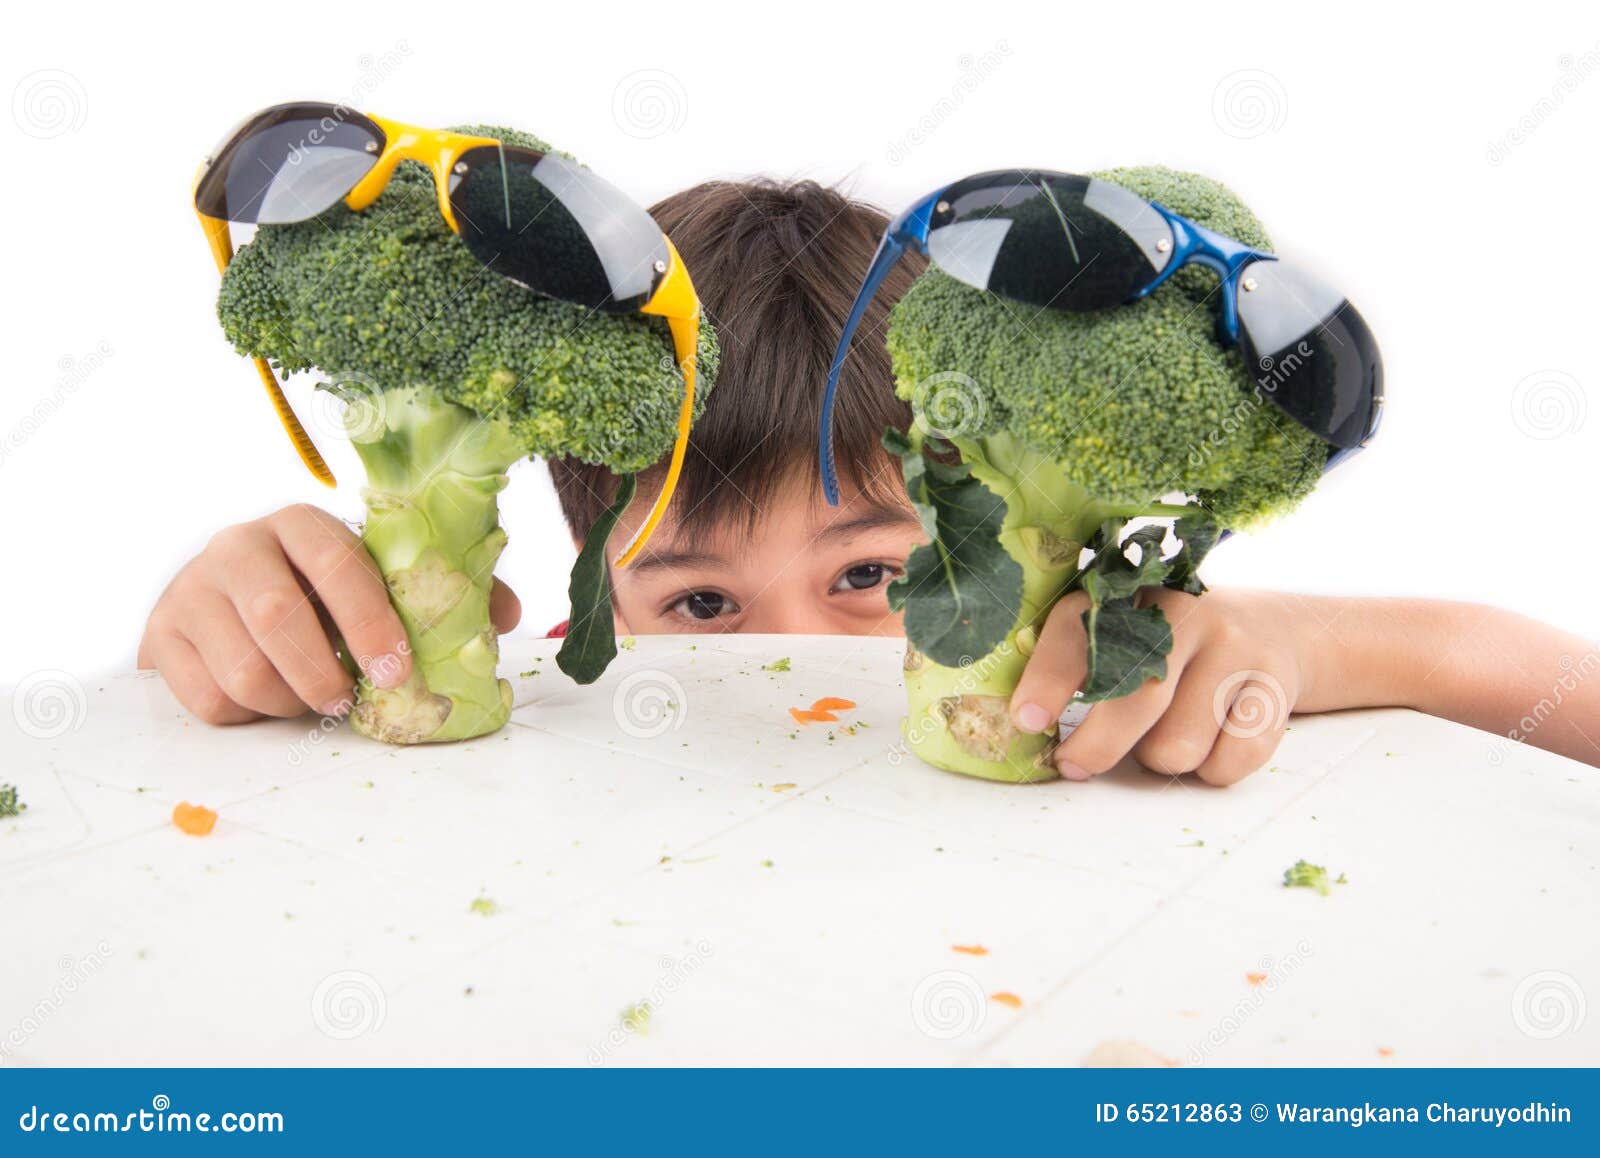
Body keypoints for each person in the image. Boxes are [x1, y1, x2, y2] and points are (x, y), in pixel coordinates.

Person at [140, 178, 1600, 778]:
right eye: (700, 602)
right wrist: (230, 625)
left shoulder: (1082, 688)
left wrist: (1319, 644)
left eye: (873, 575)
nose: (796, 646)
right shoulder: (573, 749)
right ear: (588, 609)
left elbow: (1552, 692)